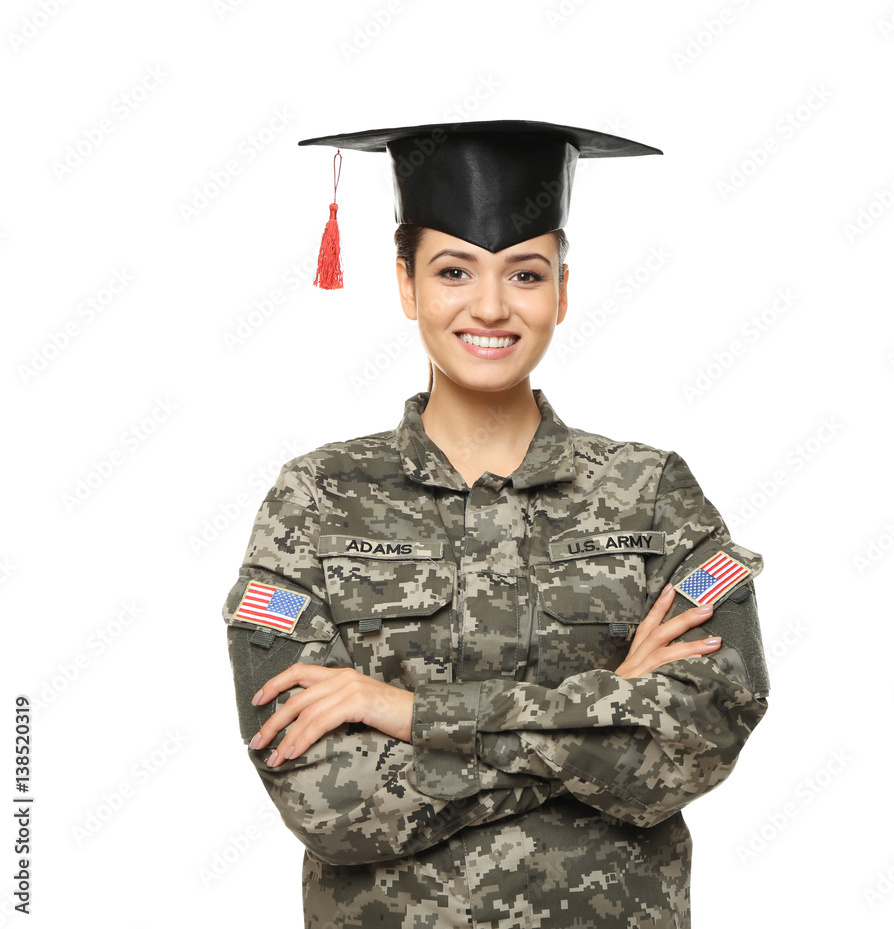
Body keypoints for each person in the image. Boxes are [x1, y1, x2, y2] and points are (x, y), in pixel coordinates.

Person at [221, 119, 769, 928]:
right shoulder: (316, 498)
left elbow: (698, 736)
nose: (489, 306)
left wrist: (410, 714)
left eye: (524, 274)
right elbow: (329, 803)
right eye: (453, 270)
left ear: (562, 290)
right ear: (406, 283)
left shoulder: (651, 494)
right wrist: (612, 700)